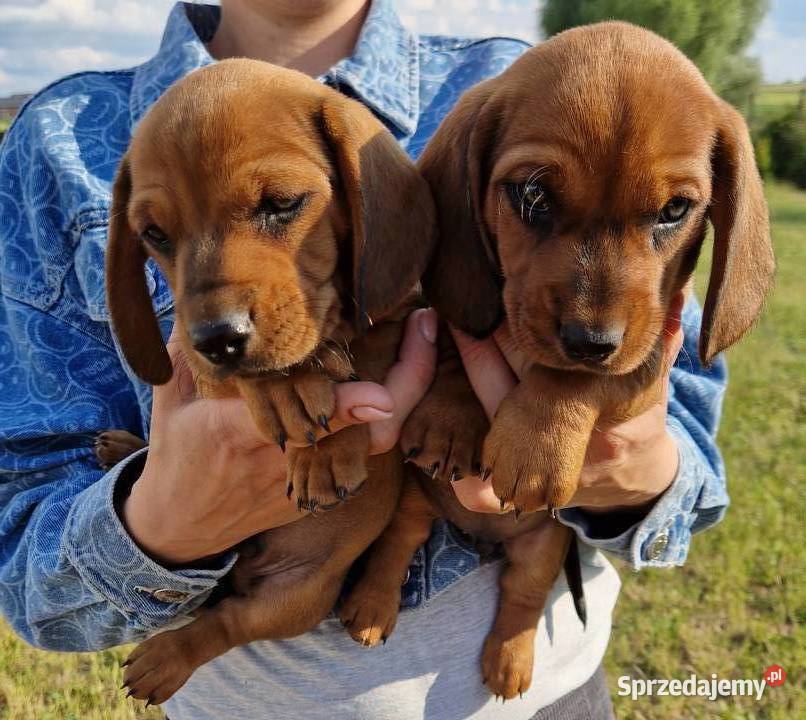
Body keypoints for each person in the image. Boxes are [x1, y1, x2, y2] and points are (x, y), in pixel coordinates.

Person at [0, 1, 728, 718]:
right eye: (535, 195)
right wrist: (158, 520)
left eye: (282, 204)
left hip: (547, 690)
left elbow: (684, 455)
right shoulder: (63, 142)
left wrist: (626, 467)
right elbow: (32, 566)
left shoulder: (540, 84)